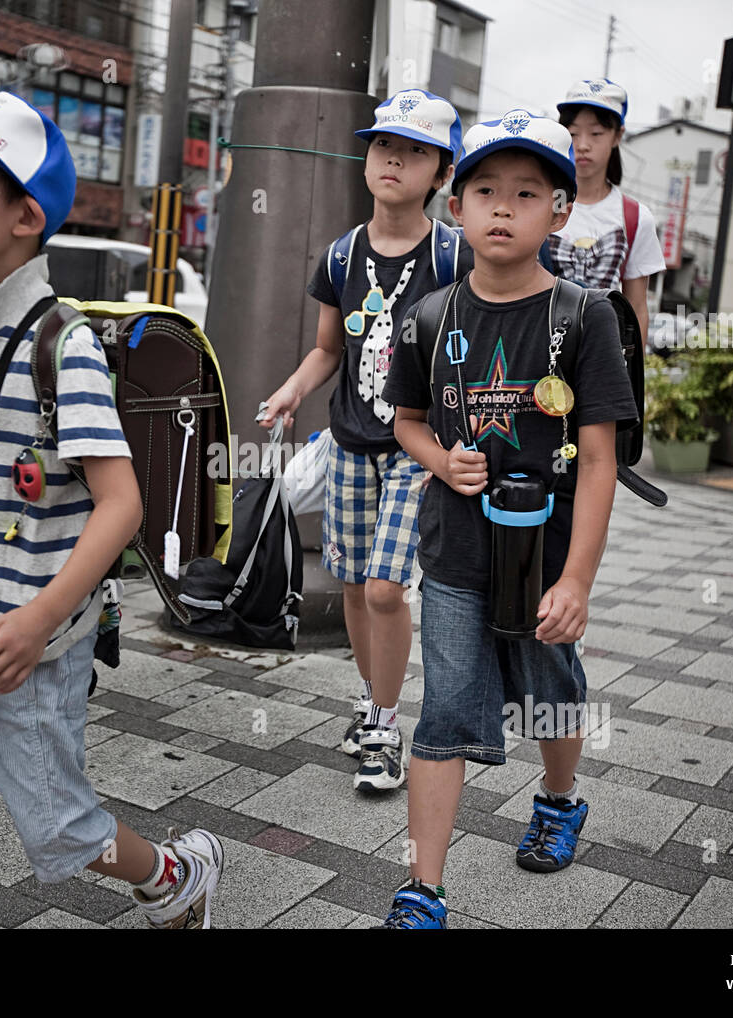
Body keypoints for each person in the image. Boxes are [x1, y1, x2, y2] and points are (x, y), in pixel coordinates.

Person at [0, 90, 223, 929]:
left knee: (60, 830)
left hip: (29, 646)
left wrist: (39, 619)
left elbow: (122, 505)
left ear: (24, 215)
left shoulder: (62, 350)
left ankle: (175, 875)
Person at [378, 109, 638, 928]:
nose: (501, 208)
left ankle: (560, 800)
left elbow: (600, 459)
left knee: (550, 695)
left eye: (526, 193)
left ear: (559, 211)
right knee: (445, 710)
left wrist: (579, 580)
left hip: (546, 554)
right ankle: (424, 885)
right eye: (484, 190)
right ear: (455, 208)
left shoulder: (584, 316)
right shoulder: (429, 315)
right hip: (453, 553)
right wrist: (437, 459)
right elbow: (404, 418)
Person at [259, 89, 469, 794]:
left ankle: (384, 724)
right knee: (352, 585)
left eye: (414, 151)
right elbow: (328, 350)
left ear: (441, 174)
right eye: (384, 146)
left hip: (416, 450)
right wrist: (292, 390)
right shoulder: (343, 255)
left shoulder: (452, 257)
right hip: (349, 442)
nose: (394, 160)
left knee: (385, 589)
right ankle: (370, 698)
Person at [548, 79, 665, 341]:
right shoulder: (542, 203)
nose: (583, 145)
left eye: (596, 133)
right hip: (540, 352)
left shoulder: (634, 217)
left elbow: (636, 307)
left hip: (601, 354)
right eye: (573, 133)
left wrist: (633, 377)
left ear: (618, 136)